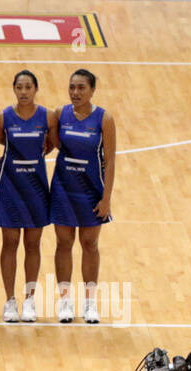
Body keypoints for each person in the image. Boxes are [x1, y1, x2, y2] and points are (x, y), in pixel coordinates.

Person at [50, 68, 116, 324]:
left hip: (91, 190)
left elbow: (110, 161)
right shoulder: (60, 114)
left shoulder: (104, 118)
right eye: (72, 87)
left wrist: (106, 198)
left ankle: (90, 303)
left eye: (81, 88)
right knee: (63, 244)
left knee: (90, 245)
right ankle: (65, 302)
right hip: (63, 188)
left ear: (92, 90)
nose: (75, 93)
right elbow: (49, 145)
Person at [0, 70, 54, 323]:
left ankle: (29, 300)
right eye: (20, 87)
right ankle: (9, 301)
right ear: (14, 89)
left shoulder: (47, 116)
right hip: (10, 185)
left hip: (36, 186)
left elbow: (52, 144)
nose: (24, 92)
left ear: (35, 89)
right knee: (10, 243)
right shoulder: (4, 117)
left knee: (33, 244)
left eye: (28, 87)